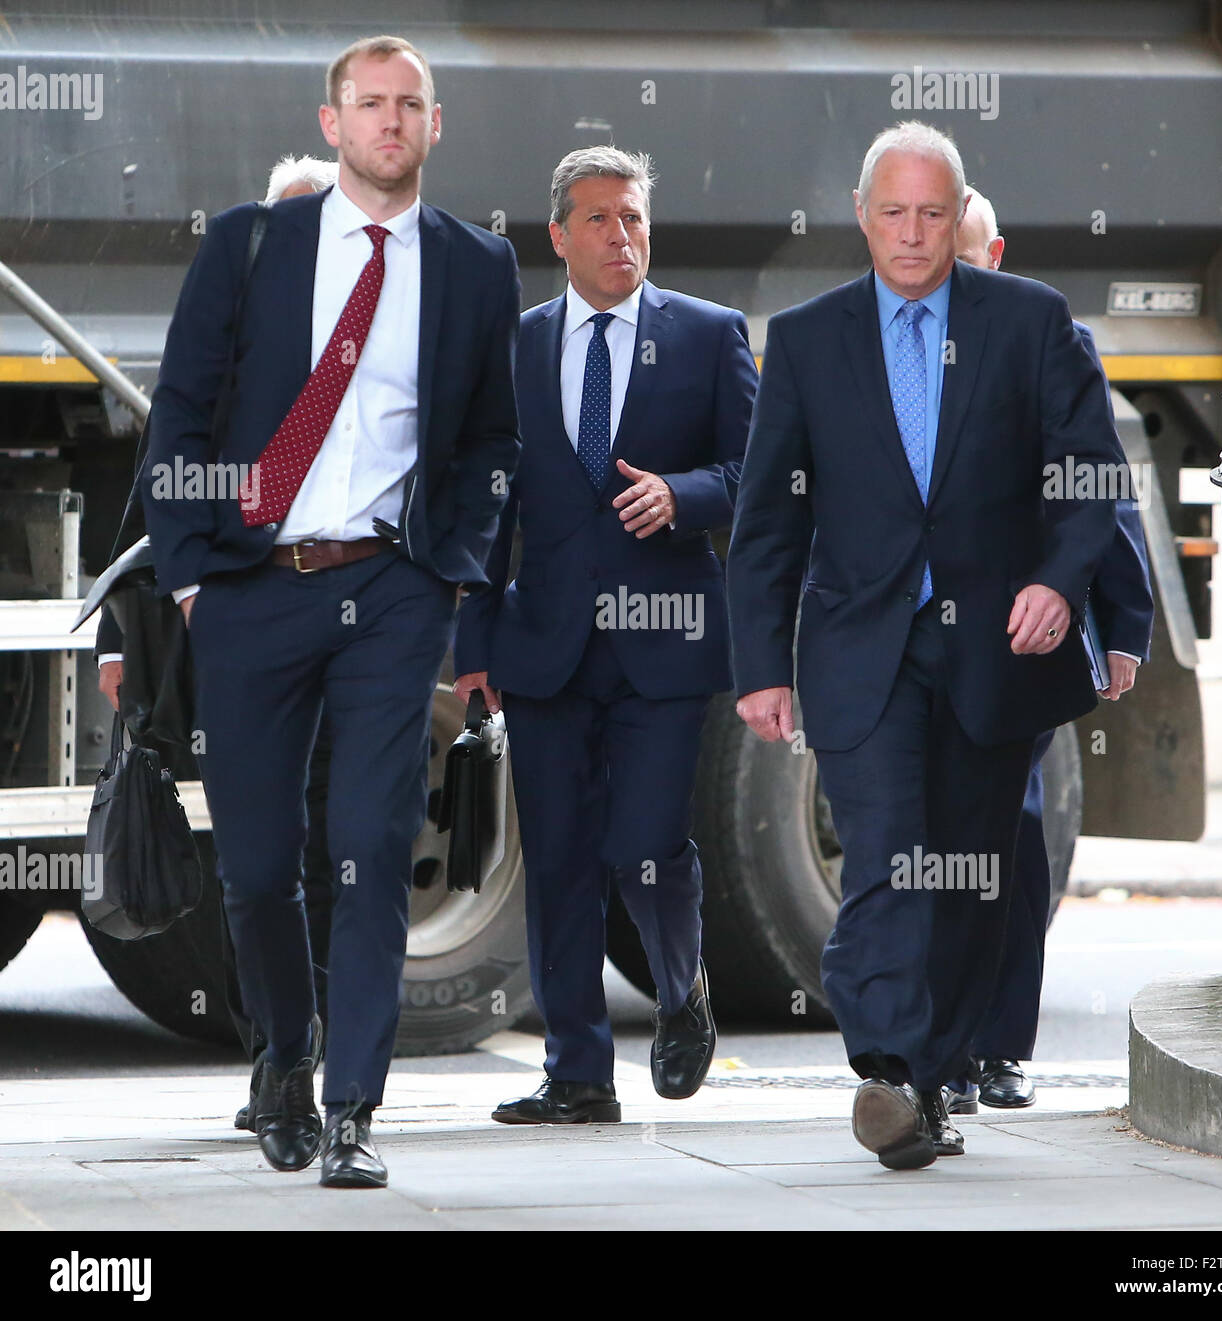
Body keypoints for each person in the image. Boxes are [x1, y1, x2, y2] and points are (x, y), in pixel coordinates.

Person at [141, 34, 520, 1187]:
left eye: (411, 105)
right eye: (371, 104)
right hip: (254, 587)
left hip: (389, 590)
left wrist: (449, 564)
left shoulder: (474, 264)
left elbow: (496, 437)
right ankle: (284, 1058)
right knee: (258, 867)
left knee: (366, 844)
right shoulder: (250, 246)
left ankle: (354, 1106)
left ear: (435, 125)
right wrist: (196, 574)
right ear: (332, 122)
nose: (391, 122)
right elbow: (182, 413)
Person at [726, 121, 1126, 1169]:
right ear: (862, 216)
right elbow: (769, 518)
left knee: (970, 874)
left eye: (933, 213)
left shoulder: (1029, 322)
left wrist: (1056, 580)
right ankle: (890, 1071)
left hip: (995, 650)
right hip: (865, 650)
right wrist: (761, 665)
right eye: (893, 212)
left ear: (960, 219)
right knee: (889, 857)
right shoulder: (808, 339)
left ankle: (933, 1075)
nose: (912, 234)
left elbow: (1090, 479)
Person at [454, 146, 757, 1124]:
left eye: (632, 217)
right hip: (543, 646)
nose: (620, 235)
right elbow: (485, 510)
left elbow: (758, 481)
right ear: (559, 235)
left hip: (664, 646)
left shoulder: (709, 338)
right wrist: (474, 645)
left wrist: (683, 494)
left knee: (644, 846)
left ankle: (681, 992)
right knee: (557, 856)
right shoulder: (517, 347)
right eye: (598, 219)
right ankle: (577, 1071)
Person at [95, 153, 343, 1135]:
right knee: (256, 862)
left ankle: (312, 1058)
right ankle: (273, 1056)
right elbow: (147, 499)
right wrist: (119, 641)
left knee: (338, 852)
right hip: (238, 649)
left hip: (351, 640)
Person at [942, 188, 1154, 1112]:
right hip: (914, 635)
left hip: (1021, 639)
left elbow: (1100, 485)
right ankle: (930, 1042)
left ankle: (996, 1047)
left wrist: (1126, 622)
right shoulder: (889, 343)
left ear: (996, 252)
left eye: (965, 249)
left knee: (1013, 834)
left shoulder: (1047, 335)